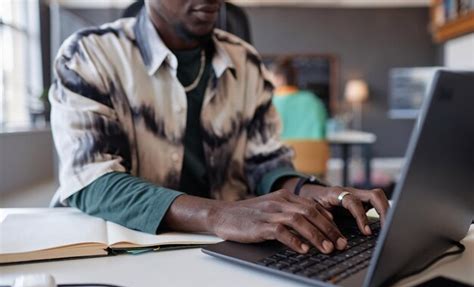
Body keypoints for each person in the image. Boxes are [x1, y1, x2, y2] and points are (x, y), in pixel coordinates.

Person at [50, 0, 389, 255]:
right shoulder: (89, 55)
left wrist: (312, 192)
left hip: (226, 250)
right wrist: (219, 214)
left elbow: (266, 163)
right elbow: (92, 180)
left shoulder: (246, 61)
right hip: (123, 252)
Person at [270, 57, 328, 140]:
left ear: (279, 79)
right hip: (312, 153)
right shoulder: (314, 101)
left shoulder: (268, 104)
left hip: (282, 153)